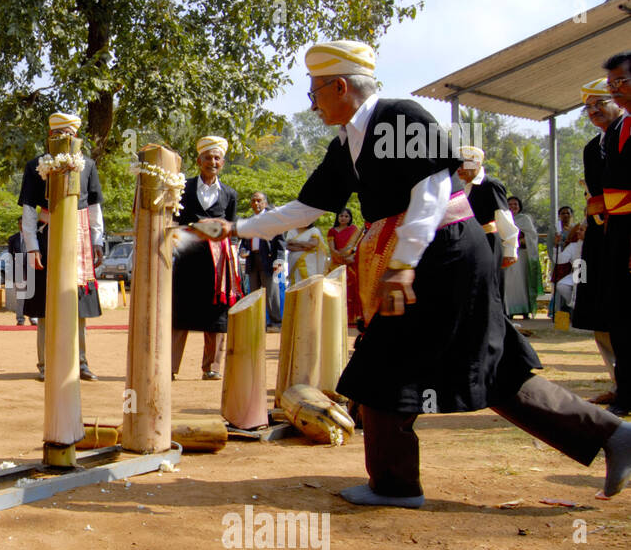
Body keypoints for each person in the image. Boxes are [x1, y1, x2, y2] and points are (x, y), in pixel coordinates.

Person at [200, 40, 631, 505]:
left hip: (443, 255)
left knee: (381, 364)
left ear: (340, 86)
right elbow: (308, 207)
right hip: (430, 257)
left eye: (314, 93)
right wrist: (236, 227)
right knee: (493, 372)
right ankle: (612, 435)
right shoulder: (347, 142)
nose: (313, 104)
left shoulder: (401, 116)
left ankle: (395, 484)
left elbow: (431, 192)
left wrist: (403, 266)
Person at [17, 112, 104, 381]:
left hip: (80, 243)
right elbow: (29, 212)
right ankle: (45, 365)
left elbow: (93, 207)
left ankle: (81, 363)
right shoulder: (35, 166)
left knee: (77, 303)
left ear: (76, 137)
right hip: (46, 239)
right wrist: (32, 247)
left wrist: (97, 240)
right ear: (49, 138)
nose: (63, 139)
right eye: (57, 135)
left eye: (68, 134)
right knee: (44, 304)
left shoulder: (87, 165)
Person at [571, 77, 624, 402]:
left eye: (599, 103)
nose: (593, 111)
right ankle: (620, 383)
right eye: (588, 107)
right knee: (601, 312)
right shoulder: (593, 148)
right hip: (601, 239)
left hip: (624, 234)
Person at [171, 135, 240, 379]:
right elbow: (174, 222)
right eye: (208, 157)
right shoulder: (182, 188)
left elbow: (231, 229)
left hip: (217, 264)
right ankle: (170, 367)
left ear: (223, 162)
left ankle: (212, 367)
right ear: (199, 160)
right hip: (188, 258)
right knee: (180, 311)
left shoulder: (230, 194)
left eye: (217, 158)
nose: (212, 162)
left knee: (216, 314)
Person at [601, 51, 631, 417]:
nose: (616, 90)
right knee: (622, 315)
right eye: (612, 85)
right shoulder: (619, 128)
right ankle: (625, 392)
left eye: (622, 81)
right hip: (619, 232)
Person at [456, 145, 519, 306]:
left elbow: (503, 216)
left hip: (489, 243)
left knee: (491, 287)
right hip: (471, 245)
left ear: (476, 163)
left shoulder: (490, 185)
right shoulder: (463, 188)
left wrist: (510, 248)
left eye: (464, 163)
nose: (460, 168)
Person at [238, 192, 285, 327]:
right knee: (253, 292)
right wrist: (242, 250)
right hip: (252, 259)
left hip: (269, 260)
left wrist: (279, 261)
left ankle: (275, 322)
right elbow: (245, 241)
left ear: (265, 202)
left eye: (259, 201)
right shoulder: (249, 220)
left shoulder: (273, 219)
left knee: (271, 292)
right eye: (253, 201)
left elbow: (281, 243)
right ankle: (255, 323)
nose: (256, 204)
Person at [504, 195, 540, 318]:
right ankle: (510, 310)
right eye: (510, 204)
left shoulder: (525, 219)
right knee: (509, 283)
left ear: (519, 206)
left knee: (523, 282)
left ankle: (525, 310)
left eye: (515, 204)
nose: (513, 206)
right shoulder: (502, 218)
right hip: (508, 254)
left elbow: (532, 236)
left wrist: (522, 239)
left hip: (522, 255)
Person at [326, 208, 363, 325]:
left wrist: (351, 258)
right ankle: (336, 317)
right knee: (336, 289)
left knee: (351, 291)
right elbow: (332, 248)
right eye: (341, 216)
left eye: (346, 216)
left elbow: (358, 246)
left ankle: (352, 318)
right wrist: (342, 259)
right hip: (336, 264)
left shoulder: (354, 230)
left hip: (351, 264)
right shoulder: (332, 231)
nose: (343, 218)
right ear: (337, 217)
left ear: (350, 218)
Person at [6, 231, 30, 324]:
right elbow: (10, 256)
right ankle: (20, 319)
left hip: (32, 269)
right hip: (19, 271)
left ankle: (33, 318)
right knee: (20, 296)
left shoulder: (33, 236)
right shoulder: (13, 238)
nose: (22, 225)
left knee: (33, 296)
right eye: (20, 223)